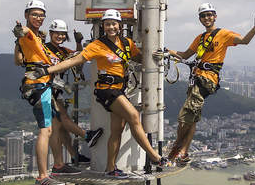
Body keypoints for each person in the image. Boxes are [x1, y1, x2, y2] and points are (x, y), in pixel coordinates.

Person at [37, 9, 163, 176]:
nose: (111, 27)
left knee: (117, 129)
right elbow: (75, 60)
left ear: (120, 25)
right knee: (133, 116)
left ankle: (110, 168)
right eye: (107, 24)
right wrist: (48, 70)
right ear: (103, 26)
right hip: (107, 90)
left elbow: (140, 58)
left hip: (120, 88)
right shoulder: (97, 45)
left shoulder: (127, 44)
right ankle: (155, 157)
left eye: (113, 24)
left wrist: (156, 54)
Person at [164, 3, 255, 163]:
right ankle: (184, 152)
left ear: (215, 16)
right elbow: (185, 55)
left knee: (185, 116)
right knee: (192, 118)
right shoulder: (200, 38)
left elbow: (244, 41)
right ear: (200, 19)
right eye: (203, 15)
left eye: (209, 15)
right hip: (197, 78)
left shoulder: (224, 34)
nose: (207, 18)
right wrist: (167, 51)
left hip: (207, 79)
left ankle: (177, 149)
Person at [13, 0, 80, 185]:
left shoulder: (38, 38)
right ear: (26, 15)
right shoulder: (29, 33)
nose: (38, 18)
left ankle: (58, 165)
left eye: (41, 15)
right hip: (38, 85)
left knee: (53, 127)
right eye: (34, 14)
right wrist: (19, 31)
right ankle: (42, 176)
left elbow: (18, 60)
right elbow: (22, 33)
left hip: (43, 85)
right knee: (46, 130)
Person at [44, 19, 103, 165]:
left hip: (56, 89)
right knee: (62, 117)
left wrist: (79, 42)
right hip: (45, 88)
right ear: (50, 33)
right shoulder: (44, 49)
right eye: (57, 33)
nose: (60, 36)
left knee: (62, 127)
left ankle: (74, 155)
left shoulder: (64, 51)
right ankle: (87, 136)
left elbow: (78, 59)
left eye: (63, 34)